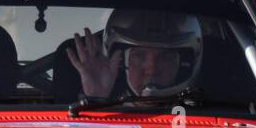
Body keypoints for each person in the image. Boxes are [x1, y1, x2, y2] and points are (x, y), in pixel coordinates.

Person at [66, 9, 203, 100]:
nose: (151, 70)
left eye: (165, 57)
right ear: (120, 63)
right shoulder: (109, 117)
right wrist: (96, 97)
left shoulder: (207, 118)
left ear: (184, 64)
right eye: (139, 56)